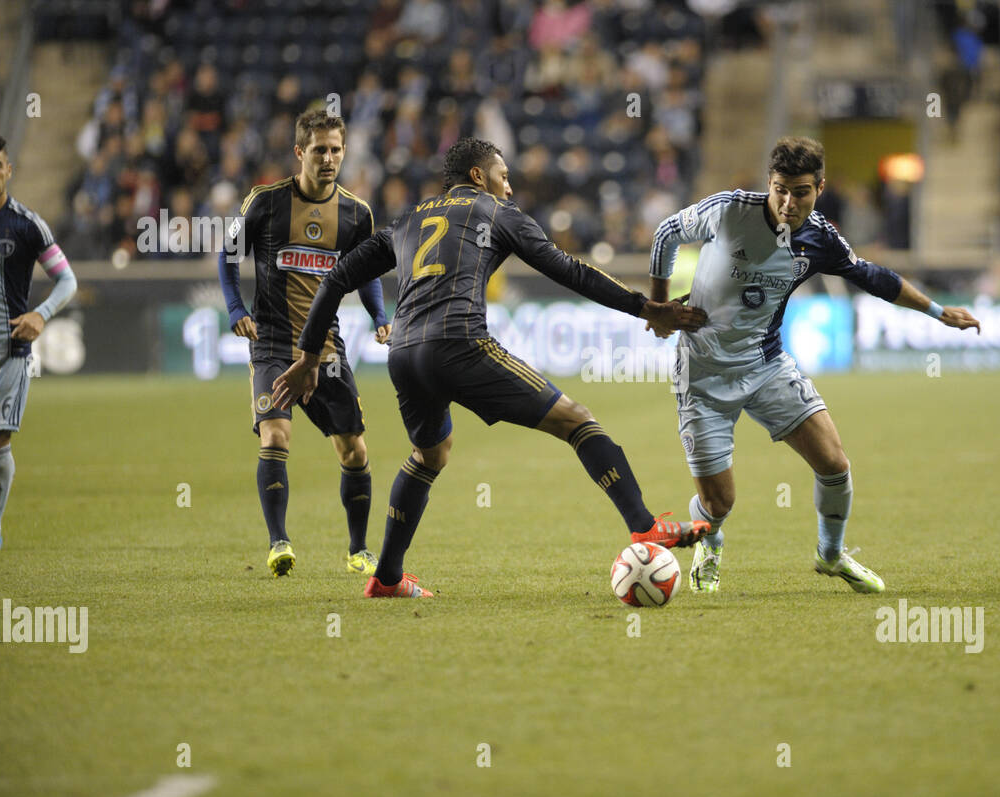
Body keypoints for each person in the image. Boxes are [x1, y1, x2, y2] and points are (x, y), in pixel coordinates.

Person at [272, 137, 710, 598]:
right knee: (577, 420)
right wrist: (647, 308)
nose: (510, 188)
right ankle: (643, 527)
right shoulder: (496, 212)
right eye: (504, 176)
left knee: (429, 456)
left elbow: (337, 277)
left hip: (403, 353)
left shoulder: (407, 220)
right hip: (460, 342)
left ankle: (386, 577)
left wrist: (307, 356)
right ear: (479, 176)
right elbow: (567, 268)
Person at [649, 136, 981, 593]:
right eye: (780, 188)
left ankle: (831, 555)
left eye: (800, 191)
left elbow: (872, 276)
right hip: (702, 373)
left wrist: (937, 311)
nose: (788, 202)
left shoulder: (819, 238)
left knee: (834, 463)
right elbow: (666, 233)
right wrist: (658, 306)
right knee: (719, 503)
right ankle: (712, 540)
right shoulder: (728, 210)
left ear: (819, 188)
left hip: (766, 365)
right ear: (770, 182)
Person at [218, 109, 391, 578]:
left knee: (353, 450)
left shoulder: (357, 214)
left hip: (325, 348)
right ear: (300, 152)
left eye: (336, 149)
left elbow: (368, 271)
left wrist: (379, 315)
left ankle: (358, 550)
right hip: (272, 343)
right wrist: (237, 309)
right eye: (320, 150)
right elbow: (227, 253)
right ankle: (279, 542)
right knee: (276, 435)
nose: (329, 158)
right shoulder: (265, 202)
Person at [0, 131, 78, 551]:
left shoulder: (25, 224)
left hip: (8, 352)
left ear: (9, 169)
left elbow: (67, 280)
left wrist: (41, 315)